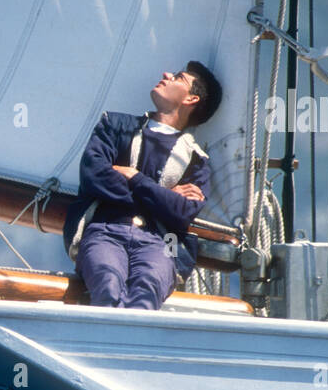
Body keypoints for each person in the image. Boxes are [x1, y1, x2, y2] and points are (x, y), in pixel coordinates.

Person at [61, 61, 222, 310]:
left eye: (178, 77)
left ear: (191, 98)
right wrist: (164, 196)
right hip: (105, 229)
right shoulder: (114, 126)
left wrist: (135, 177)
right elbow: (94, 176)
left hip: (166, 242)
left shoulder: (196, 159)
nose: (166, 74)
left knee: (147, 290)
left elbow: (183, 211)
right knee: (107, 284)